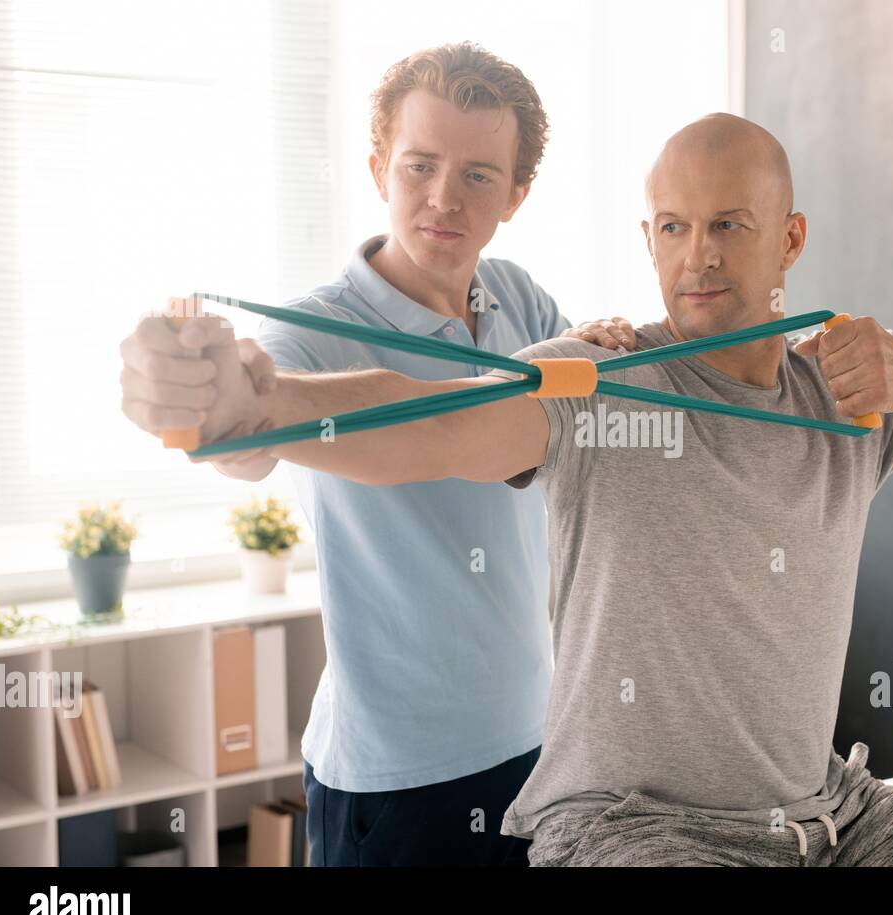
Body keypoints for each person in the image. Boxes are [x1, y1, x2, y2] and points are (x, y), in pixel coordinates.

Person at [125, 112, 893, 866]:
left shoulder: (850, 392)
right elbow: (429, 419)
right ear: (647, 238)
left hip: (826, 809)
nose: (700, 255)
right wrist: (261, 403)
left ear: (791, 237)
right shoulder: (597, 380)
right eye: (674, 227)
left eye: (729, 223)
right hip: (628, 829)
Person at [119, 42, 635, 867]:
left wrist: (588, 345)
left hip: (539, 740)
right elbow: (251, 435)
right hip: (398, 778)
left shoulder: (523, 297)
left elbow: (561, 424)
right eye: (419, 165)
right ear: (376, 168)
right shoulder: (311, 329)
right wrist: (218, 401)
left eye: (477, 175)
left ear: (517, 194)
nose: (442, 199)